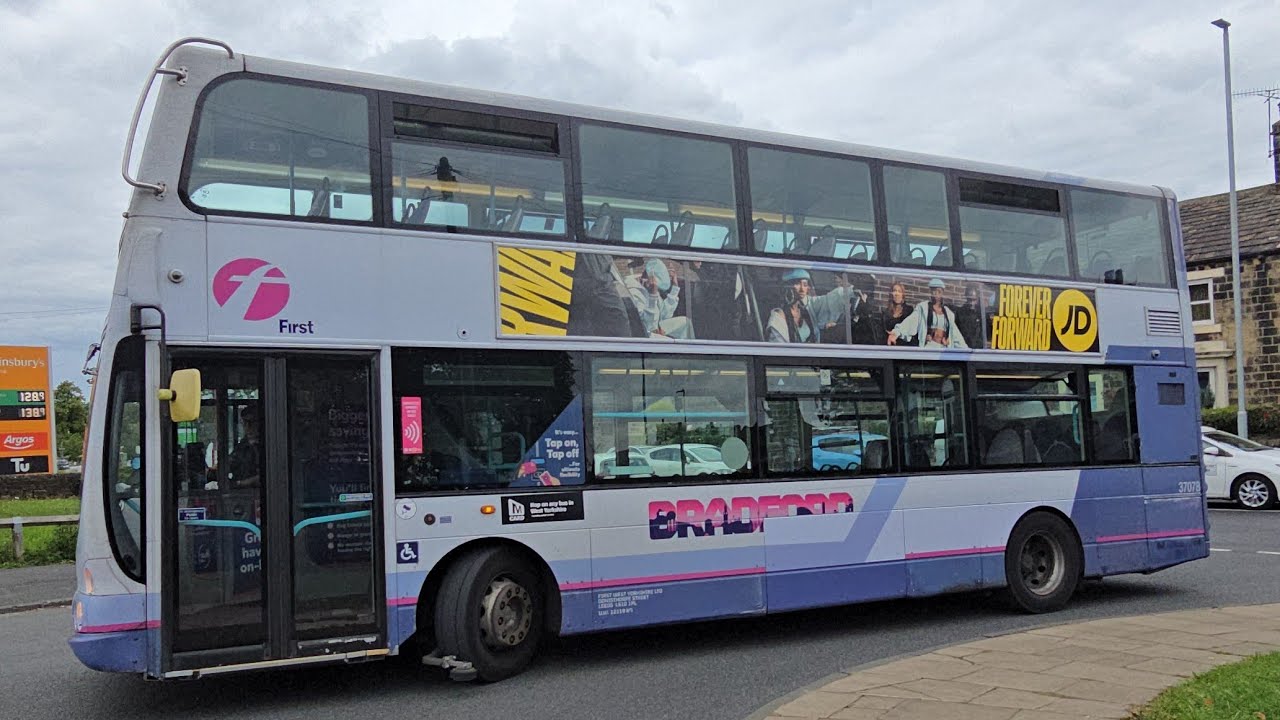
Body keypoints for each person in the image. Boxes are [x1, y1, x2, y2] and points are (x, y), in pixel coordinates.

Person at [766, 269, 858, 343]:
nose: (802, 289)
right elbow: (779, 350)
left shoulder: (808, 306)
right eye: (797, 284)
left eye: (805, 285)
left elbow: (830, 299)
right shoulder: (777, 319)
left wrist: (853, 291)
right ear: (787, 286)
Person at [887, 278, 968, 348]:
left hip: (943, 351)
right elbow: (910, 321)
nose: (936, 294)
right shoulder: (923, 308)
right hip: (929, 348)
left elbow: (955, 335)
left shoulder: (948, 314)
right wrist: (896, 332)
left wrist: (966, 351)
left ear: (942, 293)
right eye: (933, 291)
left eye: (939, 291)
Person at [624, 258, 689, 338]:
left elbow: (664, 315)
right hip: (646, 334)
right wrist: (652, 296)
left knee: (686, 322)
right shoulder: (635, 292)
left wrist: (675, 288)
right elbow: (647, 325)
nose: (657, 290)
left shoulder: (651, 289)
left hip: (655, 327)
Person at [225, 405, 263, 489]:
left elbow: (268, 476)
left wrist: (241, 483)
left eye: (252, 422)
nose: (247, 427)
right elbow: (231, 463)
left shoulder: (269, 446)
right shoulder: (242, 446)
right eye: (244, 423)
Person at [881, 282, 912, 346]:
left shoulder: (909, 310)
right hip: (889, 345)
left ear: (903, 295)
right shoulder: (885, 313)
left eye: (899, 291)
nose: (897, 294)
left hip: (904, 345)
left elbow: (910, 331)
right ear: (891, 294)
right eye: (894, 291)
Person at [953, 284, 983, 348]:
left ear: (977, 299)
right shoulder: (960, 313)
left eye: (974, 300)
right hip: (963, 347)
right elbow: (956, 332)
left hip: (978, 349)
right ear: (966, 298)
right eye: (970, 300)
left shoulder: (981, 314)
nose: (971, 303)